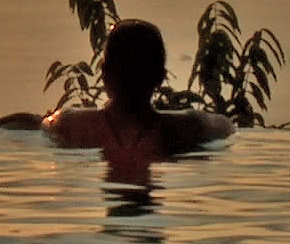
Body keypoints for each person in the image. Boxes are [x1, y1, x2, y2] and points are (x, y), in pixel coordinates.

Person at [43, 18, 234, 161]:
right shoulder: (185, 128)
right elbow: (227, 125)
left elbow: (41, 125)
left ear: (104, 74)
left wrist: (47, 119)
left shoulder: (74, 125)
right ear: (160, 77)